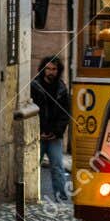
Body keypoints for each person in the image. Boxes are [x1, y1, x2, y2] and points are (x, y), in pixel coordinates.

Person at [31, 56, 72, 203]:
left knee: (57, 167)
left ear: (58, 70)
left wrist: (56, 132)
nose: (50, 72)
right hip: (38, 135)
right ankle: (30, 195)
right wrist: (39, 131)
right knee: (33, 166)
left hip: (55, 136)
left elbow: (65, 114)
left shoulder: (61, 89)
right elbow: (33, 112)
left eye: (54, 69)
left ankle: (60, 198)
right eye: (48, 68)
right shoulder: (35, 86)